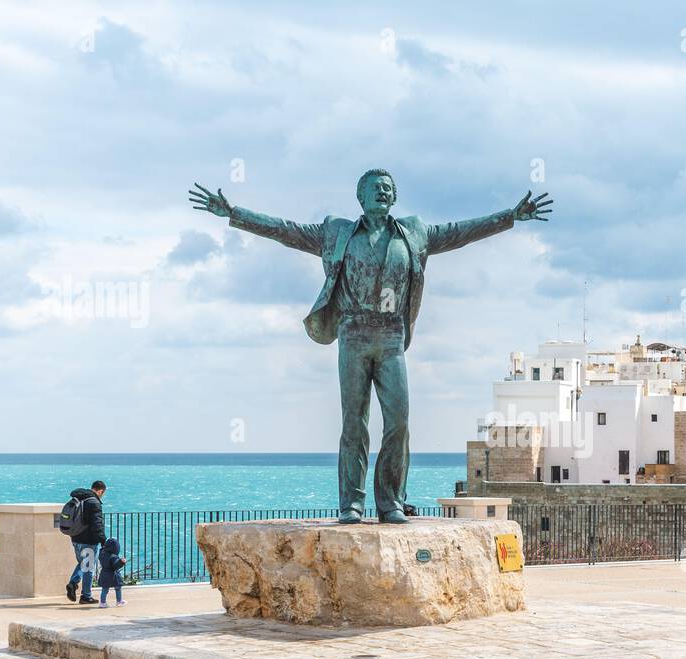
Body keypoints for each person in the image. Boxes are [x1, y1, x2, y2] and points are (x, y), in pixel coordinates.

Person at [188, 171, 552, 524]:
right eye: (375, 187)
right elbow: (286, 231)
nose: (383, 192)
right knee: (354, 423)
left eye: (388, 188)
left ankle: (391, 502)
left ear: (394, 197)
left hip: (392, 335)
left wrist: (511, 217)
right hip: (353, 333)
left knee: (399, 422)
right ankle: (352, 504)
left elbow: (461, 233)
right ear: (360, 197)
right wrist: (234, 213)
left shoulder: (414, 234)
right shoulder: (338, 233)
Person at [66, 481, 106, 604]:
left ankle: (74, 585)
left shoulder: (79, 499)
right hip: (88, 540)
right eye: (103, 493)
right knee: (88, 568)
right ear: (100, 491)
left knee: (83, 564)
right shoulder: (94, 503)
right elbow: (97, 524)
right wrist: (103, 540)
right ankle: (85, 595)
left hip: (75, 538)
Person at [95, 537, 128, 608]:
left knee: (105, 589)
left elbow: (101, 550)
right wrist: (121, 562)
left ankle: (102, 602)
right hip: (113, 575)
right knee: (118, 587)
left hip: (104, 573)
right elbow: (116, 565)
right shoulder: (113, 557)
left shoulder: (102, 554)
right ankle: (119, 601)